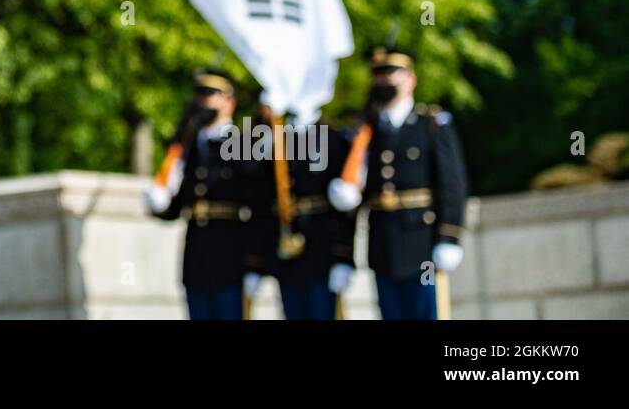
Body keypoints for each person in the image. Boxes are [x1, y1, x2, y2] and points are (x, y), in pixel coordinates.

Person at [328, 46, 467, 320]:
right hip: (382, 247)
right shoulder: (364, 134)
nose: (384, 81)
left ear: (411, 79)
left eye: (392, 73)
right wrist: (343, 254)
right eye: (379, 75)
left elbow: (453, 185)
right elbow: (355, 194)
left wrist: (449, 237)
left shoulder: (432, 124)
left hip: (422, 245)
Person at [146, 69, 273, 319]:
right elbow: (181, 204)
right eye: (200, 94)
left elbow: (258, 204)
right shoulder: (188, 147)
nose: (203, 101)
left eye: (211, 94)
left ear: (229, 102)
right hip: (196, 261)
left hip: (231, 259)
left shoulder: (242, 144)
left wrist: (255, 263)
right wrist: (159, 204)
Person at [271, 112, 356, 319]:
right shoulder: (275, 139)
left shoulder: (334, 138)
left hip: (323, 249)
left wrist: (343, 256)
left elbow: (345, 209)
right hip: (288, 251)